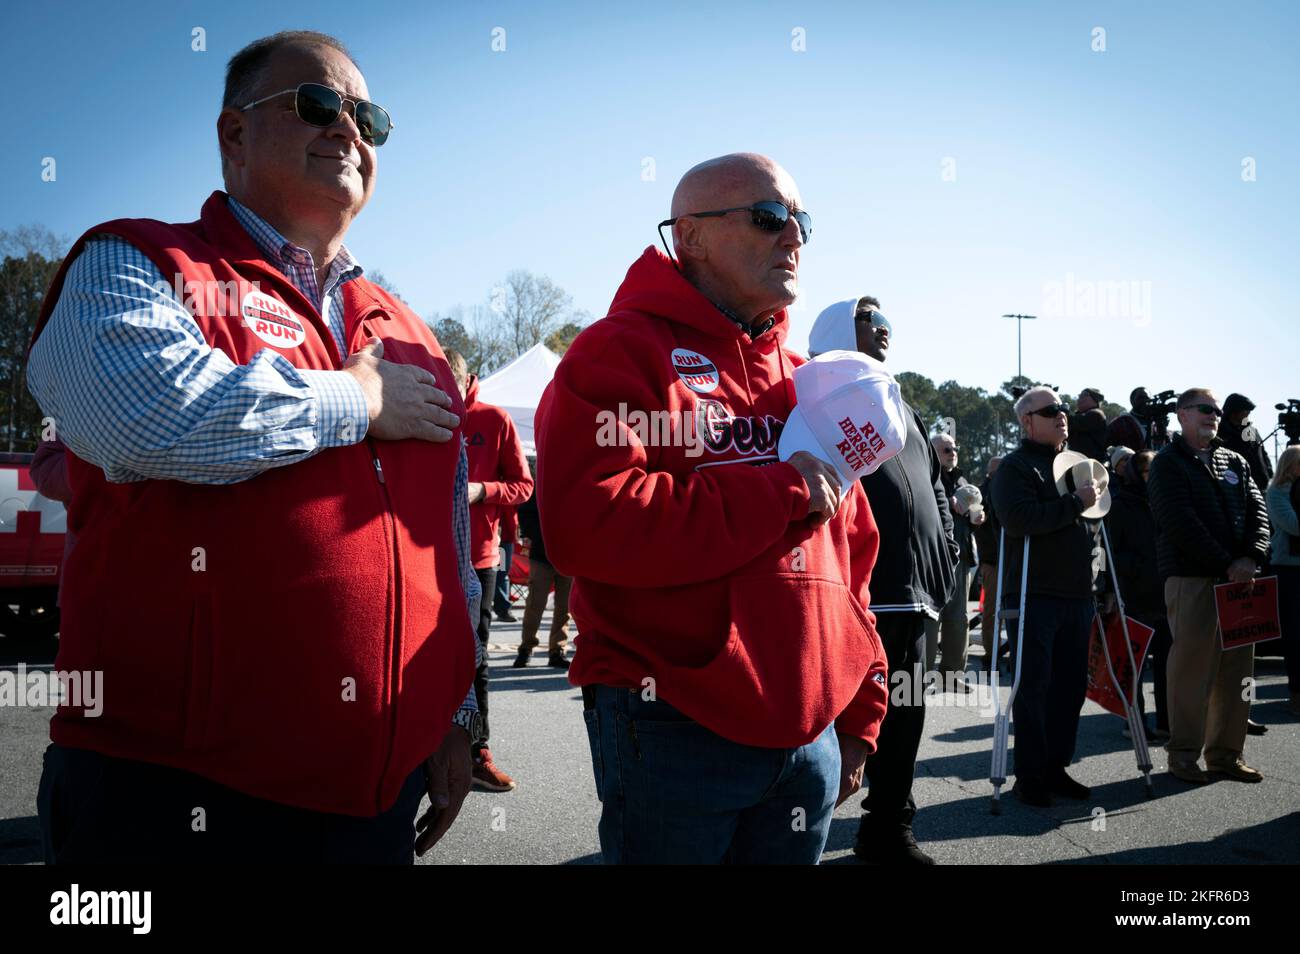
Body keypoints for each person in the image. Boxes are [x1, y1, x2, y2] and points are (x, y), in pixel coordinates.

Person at [26, 31, 480, 862]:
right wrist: (357, 398)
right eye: (318, 105)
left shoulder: (410, 330)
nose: (348, 129)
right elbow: (144, 414)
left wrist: (457, 717)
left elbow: (448, 544)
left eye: (368, 118)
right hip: (166, 801)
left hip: (375, 801)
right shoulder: (137, 260)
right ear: (234, 135)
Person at [535, 153, 889, 864]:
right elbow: (590, 524)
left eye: (802, 221)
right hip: (673, 723)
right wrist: (781, 489)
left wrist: (864, 704)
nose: (793, 236)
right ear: (689, 236)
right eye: (768, 217)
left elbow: (853, 556)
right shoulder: (620, 350)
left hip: (812, 738)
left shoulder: (807, 380)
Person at [807, 294, 956, 865]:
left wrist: (944, 548)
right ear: (840, 330)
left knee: (906, 716)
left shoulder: (900, 403)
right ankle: (795, 830)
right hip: (857, 592)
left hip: (914, 596)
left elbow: (934, 486)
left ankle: (887, 829)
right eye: (873, 321)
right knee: (826, 720)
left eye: (888, 320)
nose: (885, 330)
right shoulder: (815, 393)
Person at [1147, 389, 1271, 784]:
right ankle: (1183, 756)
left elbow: (1259, 512)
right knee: (1192, 671)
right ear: (1182, 415)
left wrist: (1252, 556)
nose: (1214, 415)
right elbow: (1179, 521)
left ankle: (1226, 756)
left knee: (1238, 674)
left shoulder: (1233, 459)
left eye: (1216, 410)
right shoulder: (1168, 463)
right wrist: (1228, 563)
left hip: (1240, 582)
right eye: (1205, 409)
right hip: (1192, 579)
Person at [991, 386, 1102, 807]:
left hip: (1077, 594)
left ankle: (1056, 767)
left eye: (1064, 410)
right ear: (1027, 421)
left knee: (1070, 687)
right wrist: (1075, 503)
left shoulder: (1073, 466)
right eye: (1050, 410)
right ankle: (1030, 775)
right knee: (1034, 686)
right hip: (1034, 594)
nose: (1062, 416)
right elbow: (1017, 520)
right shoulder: (1017, 467)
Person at [448, 351, 534, 792]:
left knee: (474, 658)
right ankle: (420, 755)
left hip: (479, 560)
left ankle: (478, 753)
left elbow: (524, 486)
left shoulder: (494, 419)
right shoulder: (419, 407)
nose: (444, 391)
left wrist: (482, 490)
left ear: (468, 382)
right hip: (421, 557)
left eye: (451, 383)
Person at [1104, 449, 1171, 743]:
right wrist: (1140, 566)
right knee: (1134, 666)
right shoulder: (1120, 505)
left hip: (1167, 593)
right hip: (1136, 595)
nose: (1153, 477)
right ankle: (1134, 722)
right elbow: (1108, 551)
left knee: (1169, 664)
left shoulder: (1166, 501)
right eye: (1147, 472)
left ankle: (1169, 722)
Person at [929, 433, 983, 679]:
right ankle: (923, 674)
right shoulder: (927, 475)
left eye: (954, 448)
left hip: (961, 557)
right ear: (933, 452)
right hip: (934, 556)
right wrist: (943, 502)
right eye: (946, 450)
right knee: (931, 614)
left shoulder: (961, 479)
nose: (952, 453)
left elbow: (971, 511)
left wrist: (977, 518)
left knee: (959, 616)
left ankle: (952, 675)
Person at [513, 473, 574, 670]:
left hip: (568, 555)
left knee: (564, 608)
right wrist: (536, 534)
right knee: (534, 605)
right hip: (542, 553)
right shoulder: (541, 482)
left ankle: (557, 650)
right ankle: (526, 648)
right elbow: (525, 511)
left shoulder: (576, 482)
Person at [1264, 446, 1300, 716]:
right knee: (1295, 634)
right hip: (1288, 568)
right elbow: (1292, 524)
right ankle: (1296, 693)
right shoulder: (1275, 492)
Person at [974, 456, 1006, 670]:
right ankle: (992, 653)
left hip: (1009, 560)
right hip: (993, 561)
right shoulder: (982, 493)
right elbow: (979, 521)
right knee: (992, 611)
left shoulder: (1008, 489)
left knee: (1005, 610)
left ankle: (998, 653)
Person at [1220, 393, 1275, 498]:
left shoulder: (1251, 431)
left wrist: (1269, 473)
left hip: (1260, 486)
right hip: (1233, 489)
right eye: (1245, 411)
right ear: (1233, 412)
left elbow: (1263, 454)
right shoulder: (1220, 432)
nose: (1248, 414)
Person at [1068, 387, 1109, 462]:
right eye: (1079, 395)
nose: (1079, 398)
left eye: (1083, 395)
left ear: (1094, 400)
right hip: (1079, 460)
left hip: (1090, 463)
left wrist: (1061, 413)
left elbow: (1072, 422)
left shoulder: (1096, 414)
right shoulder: (1082, 414)